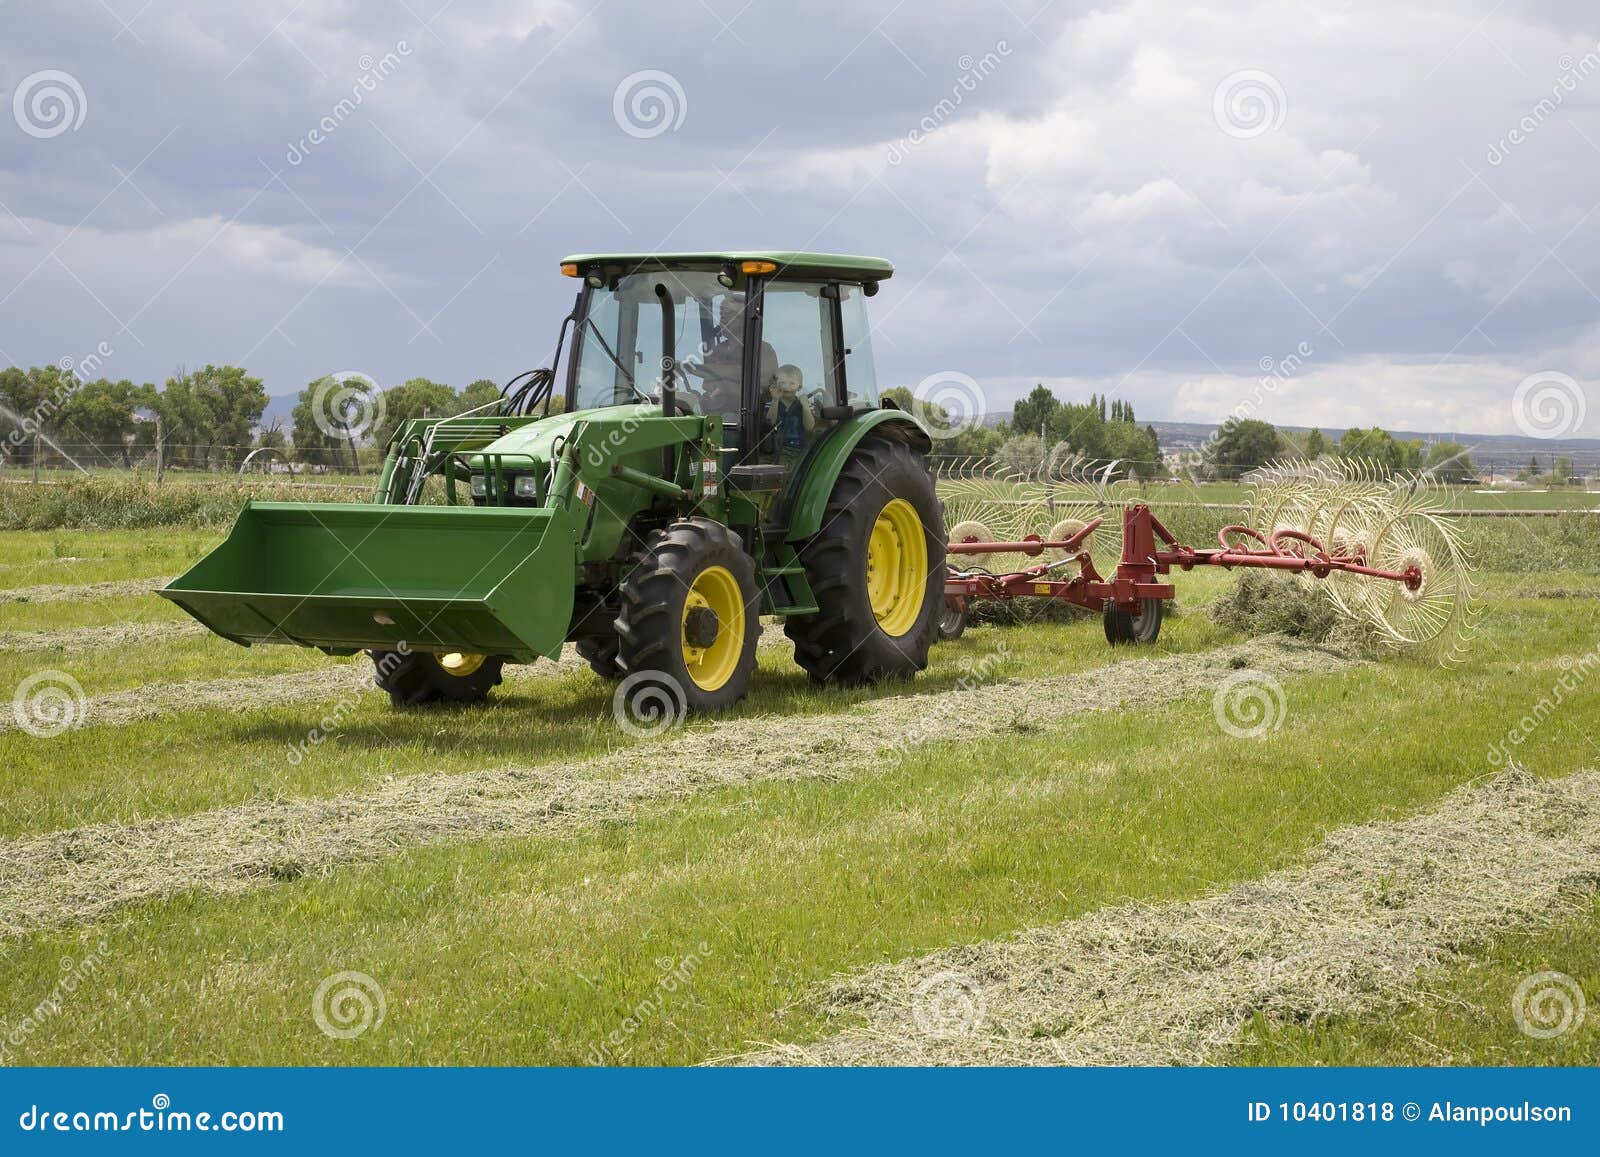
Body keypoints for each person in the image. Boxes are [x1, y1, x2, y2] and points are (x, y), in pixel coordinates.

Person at [687, 293, 776, 418]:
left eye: (728, 314)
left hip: (744, 417)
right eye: (721, 314)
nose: (722, 319)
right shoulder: (718, 349)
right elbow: (707, 384)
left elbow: (763, 389)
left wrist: (725, 386)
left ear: (744, 319)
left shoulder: (762, 349)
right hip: (712, 410)